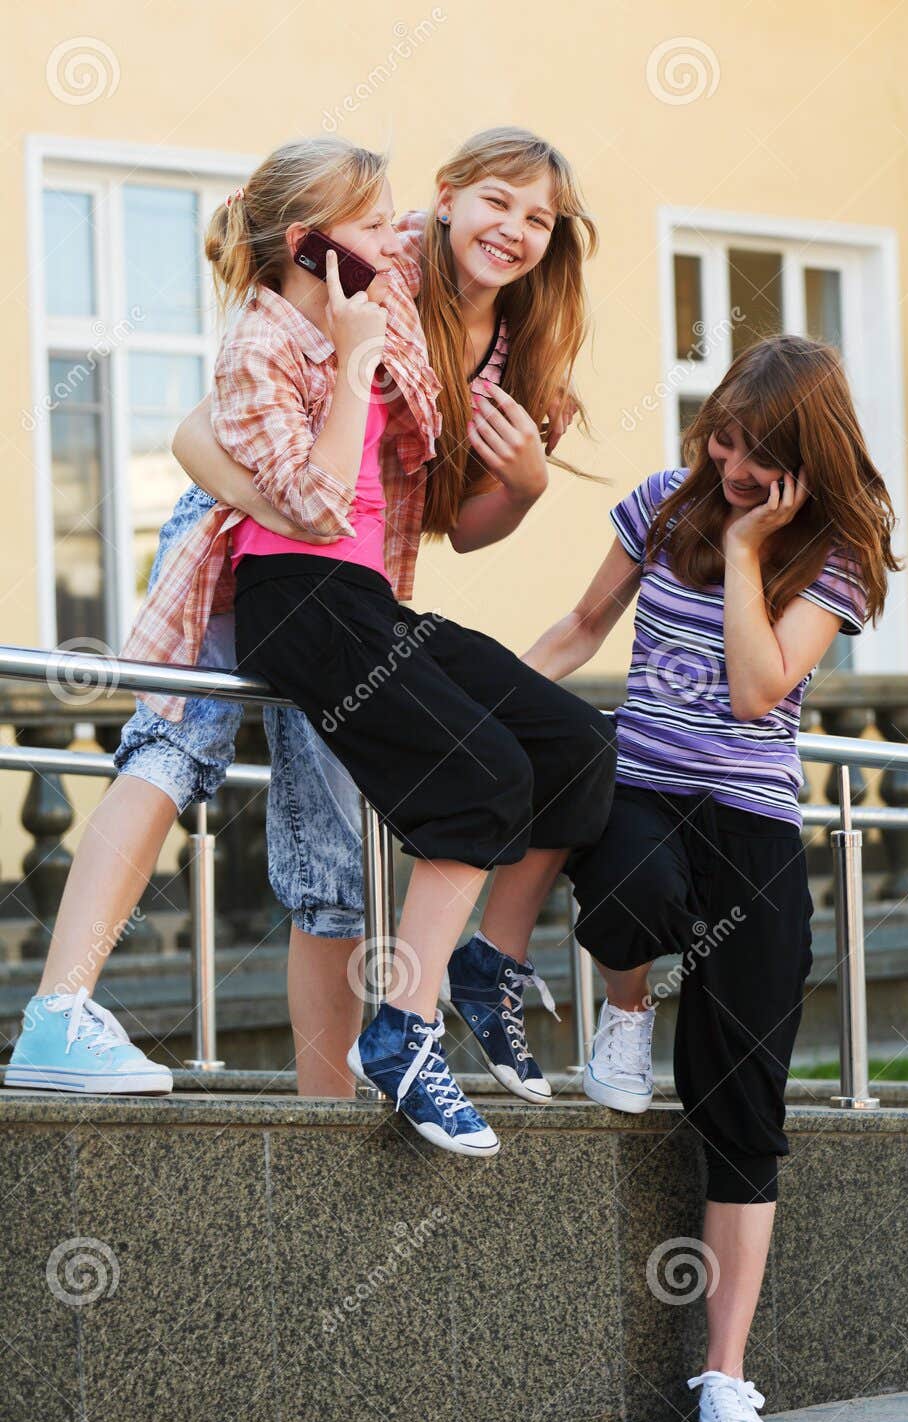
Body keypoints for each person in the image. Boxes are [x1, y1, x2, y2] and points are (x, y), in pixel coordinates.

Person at [6, 130, 599, 1105]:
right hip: (247, 535)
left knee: (332, 853)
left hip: (343, 587)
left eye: (538, 217)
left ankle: (328, 1111)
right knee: (173, 742)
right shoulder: (376, 262)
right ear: (444, 198)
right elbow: (200, 432)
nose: (513, 229)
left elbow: (441, 518)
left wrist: (527, 488)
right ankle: (58, 1012)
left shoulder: (517, 349)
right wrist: (284, 505)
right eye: (497, 200)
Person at [523, 334, 900, 1422]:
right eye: (722, 435)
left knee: (741, 1102)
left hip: (752, 821)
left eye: (756, 451)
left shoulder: (833, 552)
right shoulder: (655, 504)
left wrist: (746, 549)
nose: (729, 461)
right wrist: (476, 701)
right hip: (639, 787)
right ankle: (624, 1017)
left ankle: (723, 1378)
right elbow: (583, 626)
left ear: (804, 456)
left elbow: (755, 691)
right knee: (625, 899)